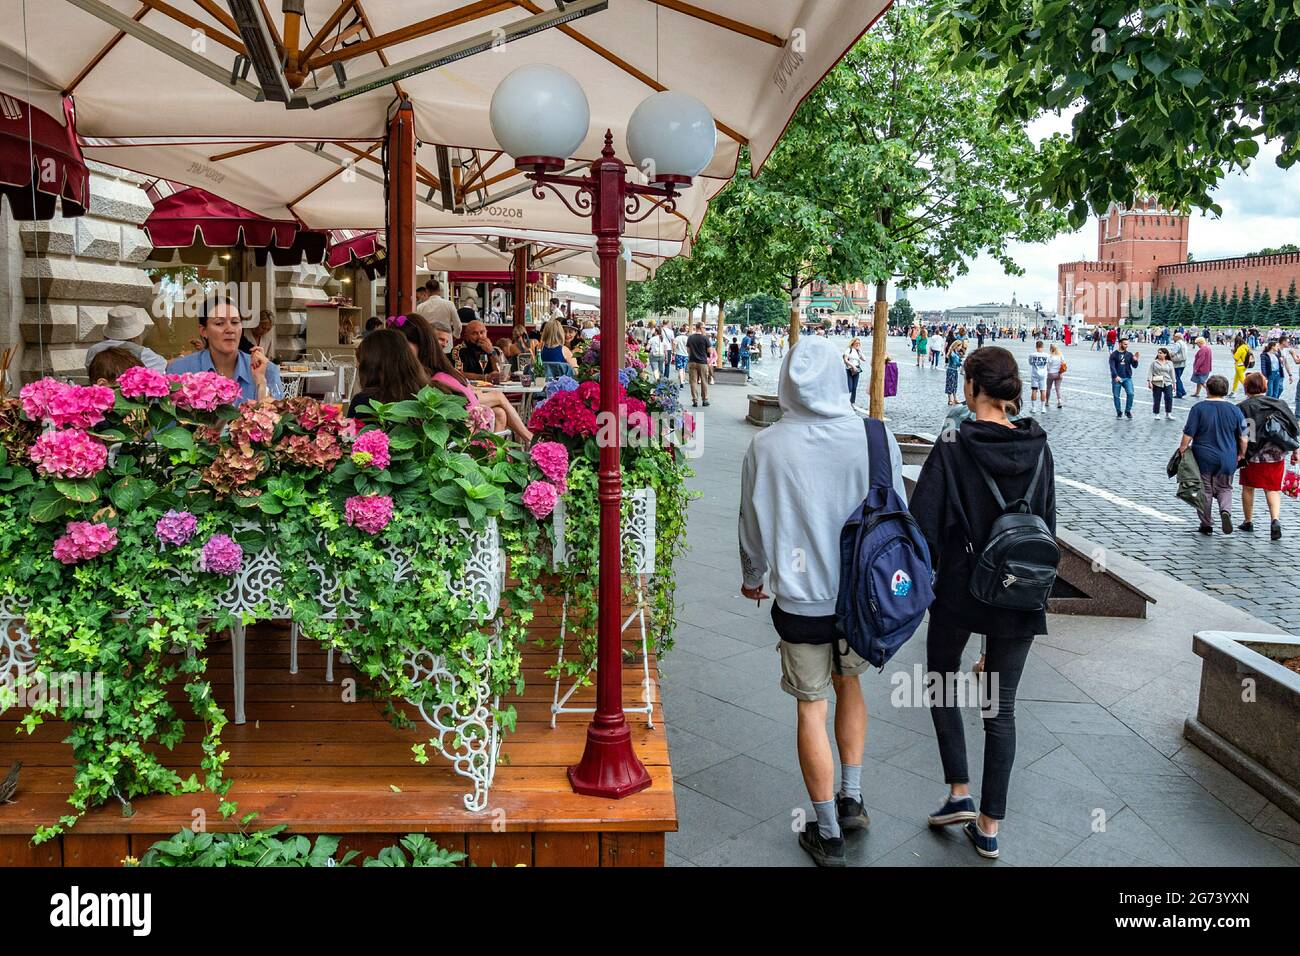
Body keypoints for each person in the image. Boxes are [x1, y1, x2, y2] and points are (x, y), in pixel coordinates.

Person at [737, 336, 906, 867]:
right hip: (864, 598)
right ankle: (851, 797)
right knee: (850, 683)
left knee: (811, 704)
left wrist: (753, 576)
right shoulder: (876, 437)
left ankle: (826, 831)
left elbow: (751, 524)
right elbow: (897, 514)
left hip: (801, 602)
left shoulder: (767, 446)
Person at [910, 345, 1056, 861]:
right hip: (1019, 591)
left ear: (972, 385)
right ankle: (989, 826)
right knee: (1002, 708)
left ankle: (958, 792)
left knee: (942, 678)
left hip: (958, 589)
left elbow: (922, 523)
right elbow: (1048, 524)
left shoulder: (953, 444)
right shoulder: (1040, 445)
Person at [168, 294, 283, 403]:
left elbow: (276, 420)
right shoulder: (180, 371)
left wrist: (261, 383)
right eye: (219, 323)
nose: (230, 329)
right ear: (203, 331)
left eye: (235, 322)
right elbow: (167, 422)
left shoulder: (266, 370)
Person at [1179, 374, 1248, 535]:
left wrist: (1182, 449)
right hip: (1228, 456)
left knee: (1205, 490)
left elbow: (1188, 434)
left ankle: (1206, 524)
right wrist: (1242, 454)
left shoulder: (1198, 408)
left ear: (1207, 389)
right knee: (1225, 488)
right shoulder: (1235, 410)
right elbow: (1244, 437)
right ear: (1225, 390)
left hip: (1203, 456)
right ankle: (1225, 511)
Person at [1237, 372, 1300, 539]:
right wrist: (1295, 451)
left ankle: (1248, 521)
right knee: (1272, 489)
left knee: (1248, 487)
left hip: (1253, 455)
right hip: (1276, 453)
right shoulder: (1279, 403)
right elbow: (1292, 429)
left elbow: (1246, 434)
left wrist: (1241, 454)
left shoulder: (1244, 407)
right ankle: (1275, 519)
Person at [347, 328, 429, 418]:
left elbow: (350, 430)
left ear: (372, 364)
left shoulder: (364, 402)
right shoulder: (430, 395)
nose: (357, 366)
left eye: (360, 360)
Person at [85, 305, 168, 373]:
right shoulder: (141, 352)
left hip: (102, 392)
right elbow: (163, 368)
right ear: (136, 335)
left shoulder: (93, 350)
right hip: (132, 392)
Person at [1109, 336, 1140, 419]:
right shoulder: (1114, 355)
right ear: (1120, 344)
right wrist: (1115, 376)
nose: (1126, 346)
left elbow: (1134, 366)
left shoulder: (1129, 354)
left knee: (1131, 393)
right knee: (1116, 396)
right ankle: (1119, 412)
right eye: (1125, 344)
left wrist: (1135, 360)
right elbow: (1112, 367)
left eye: (1127, 344)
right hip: (1117, 378)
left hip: (1127, 377)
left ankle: (1128, 411)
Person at [686, 323, 712, 408]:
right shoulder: (705, 338)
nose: (705, 329)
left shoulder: (690, 337)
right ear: (700, 328)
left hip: (692, 361)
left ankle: (695, 401)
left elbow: (688, 350)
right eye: (704, 327)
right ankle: (705, 400)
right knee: (704, 381)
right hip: (702, 362)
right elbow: (709, 351)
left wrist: (692, 355)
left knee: (693, 382)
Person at [1148, 346, 1175, 420]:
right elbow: (1150, 372)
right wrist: (1149, 382)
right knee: (1157, 398)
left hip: (1167, 382)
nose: (1159, 354)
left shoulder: (1170, 363)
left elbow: (1172, 373)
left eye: (1161, 353)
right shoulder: (1154, 362)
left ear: (1165, 354)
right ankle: (1156, 413)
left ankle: (1168, 413)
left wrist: (1174, 384)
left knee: (1169, 398)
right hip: (1157, 383)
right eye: (1158, 353)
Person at [1027, 340, 1048, 414]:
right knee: (1043, 391)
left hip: (1035, 374)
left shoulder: (1032, 355)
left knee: (1034, 390)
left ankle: (1034, 408)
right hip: (1043, 375)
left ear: (1036, 347)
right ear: (1042, 347)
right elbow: (1049, 363)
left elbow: (1030, 363)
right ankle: (1043, 408)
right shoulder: (1046, 355)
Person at [844, 337, 864, 406]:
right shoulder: (849, 350)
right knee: (850, 387)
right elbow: (845, 360)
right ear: (853, 343)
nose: (858, 344)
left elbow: (864, 359)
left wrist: (860, 350)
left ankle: (852, 402)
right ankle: (844, 400)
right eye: (856, 343)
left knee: (854, 388)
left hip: (856, 370)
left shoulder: (858, 351)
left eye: (859, 343)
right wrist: (852, 365)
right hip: (849, 370)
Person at [1169, 331, 1189, 399]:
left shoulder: (1177, 344)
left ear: (1177, 337)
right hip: (1183, 363)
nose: (1173, 337)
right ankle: (1180, 392)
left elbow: (1172, 353)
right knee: (1178, 378)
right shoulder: (1184, 343)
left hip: (1177, 363)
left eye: (1174, 336)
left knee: (1176, 378)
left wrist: (1168, 355)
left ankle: (1181, 392)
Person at [944, 341, 964, 406]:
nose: (960, 347)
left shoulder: (955, 353)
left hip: (955, 370)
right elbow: (955, 362)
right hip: (951, 370)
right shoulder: (952, 353)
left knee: (955, 384)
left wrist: (961, 360)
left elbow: (958, 360)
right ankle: (950, 399)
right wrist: (961, 363)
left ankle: (955, 399)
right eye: (960, 346)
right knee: (950, 384)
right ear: (957, 346)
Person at [1045, 343, 1065, 409]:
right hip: (1059, 374)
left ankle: (1047, 402)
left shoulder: (1049, 356)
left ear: (1051, 349)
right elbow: (1063, 364)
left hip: (1051, 373)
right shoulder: (1061, 355)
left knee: (1048, 388)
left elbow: (1047, 366)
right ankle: (1059, 401)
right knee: (1058, 388)